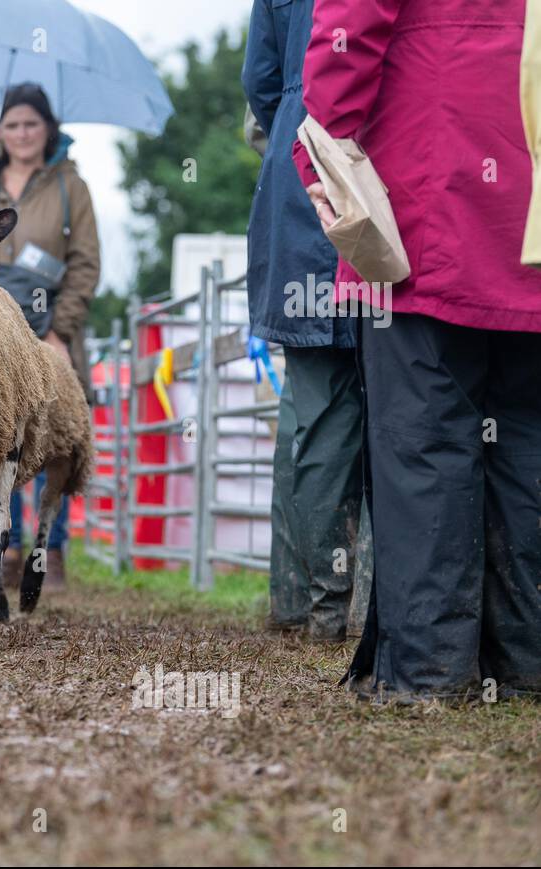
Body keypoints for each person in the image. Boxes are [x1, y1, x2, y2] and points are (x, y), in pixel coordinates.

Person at [296, 0, 541, 700]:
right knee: (526, 435)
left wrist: (322, 151)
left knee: (424, 436)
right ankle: (523, 665)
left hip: (432, 174)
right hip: (527, 185)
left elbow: (350, 26)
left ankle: (431, 670)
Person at [0, 82, 101, 592]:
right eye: (11, 125)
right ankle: (1, 545)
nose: (21, 134)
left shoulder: (70, 187)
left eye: (31, 124)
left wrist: (62, 329)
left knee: (53, 435)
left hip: (46, 325)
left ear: (48, 129)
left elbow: (85, 262)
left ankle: (48, 552)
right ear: (0, 131)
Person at [243, 0, 363, 643]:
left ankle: (316, 605)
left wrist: (297, 123)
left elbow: (259, 81)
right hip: (377, 177)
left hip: (297, 183)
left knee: (313, 416)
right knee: (403, 409)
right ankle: (368, 599)